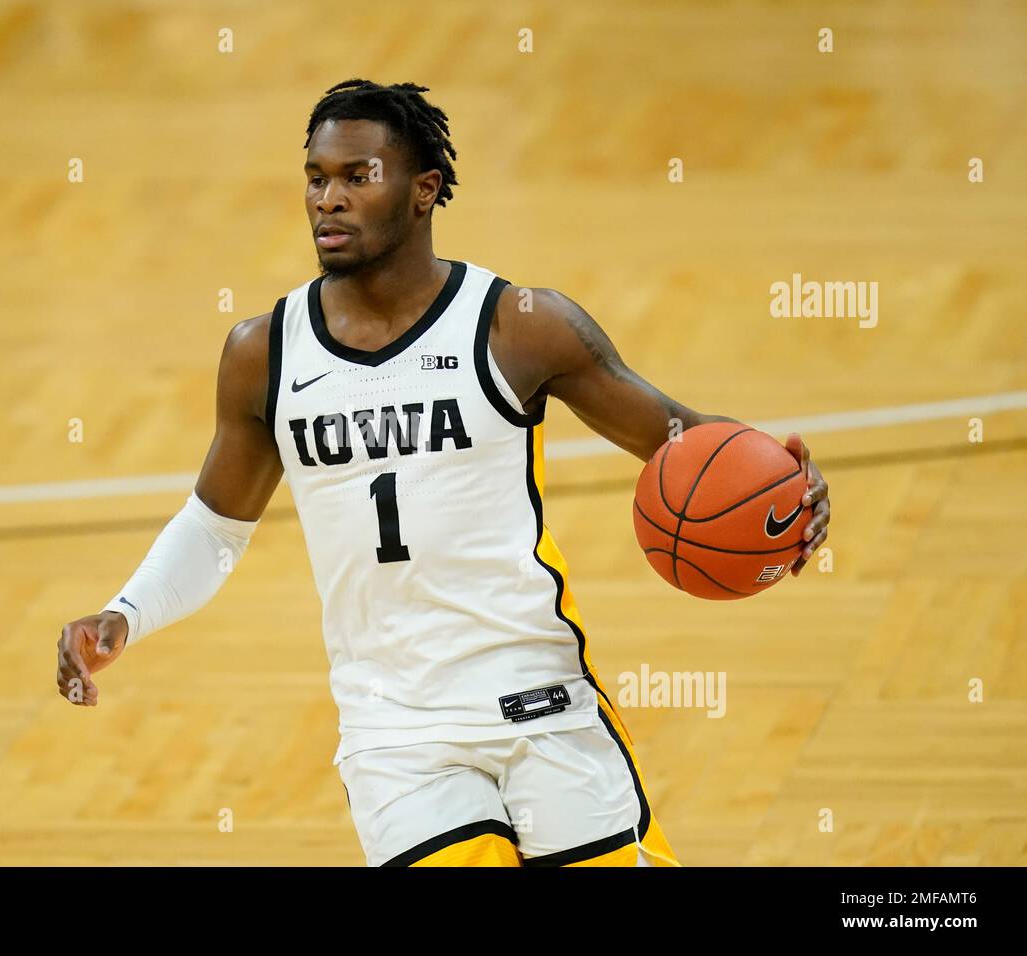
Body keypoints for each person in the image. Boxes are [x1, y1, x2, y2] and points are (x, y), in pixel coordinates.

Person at [56, 79, 831, 867]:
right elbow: (216, 527)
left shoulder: (519, 328)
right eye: (317, 177)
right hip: (396, 731)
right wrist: (126, 614)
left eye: (358, 177)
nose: (328, 198)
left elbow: (682, 442)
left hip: (543, 703)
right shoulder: (264, 352)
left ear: (424, 190)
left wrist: (785, 490)